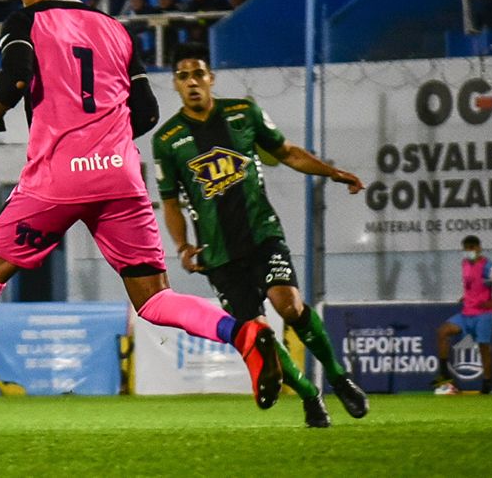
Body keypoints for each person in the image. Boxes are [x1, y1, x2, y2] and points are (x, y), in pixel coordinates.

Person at [0, 0, 282, 437]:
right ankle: (244, 332)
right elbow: (147, 113)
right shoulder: (115, 28)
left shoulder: (25, 23)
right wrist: (104, 142)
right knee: (154, 299)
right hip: (120, 174)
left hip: (55, 179)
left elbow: (15, 75)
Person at [153, 56, 369, 427]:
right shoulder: (168, 140)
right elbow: (171, 202)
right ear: (175, 84)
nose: (192, 82)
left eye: (198, 74)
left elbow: (286, 152)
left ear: (211, 78)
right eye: (183, 76)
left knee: (289, 305)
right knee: (260, 335)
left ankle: (337, 376)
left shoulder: (243, 112)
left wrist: (331, 173)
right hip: (217, 253)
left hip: (262, 235)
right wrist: (183, 246)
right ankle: (309, 395)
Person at [433, 236, 492, 395]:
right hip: (466, 313)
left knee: (483, 348)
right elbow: (472, 284)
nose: (469, 251)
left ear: (479, 248)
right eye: (466, 248)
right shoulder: (464, 264)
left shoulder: (488, 266)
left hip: (484, 314)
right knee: (442, 332)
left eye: (472, 247)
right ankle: (444, 375)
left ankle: (486, 384)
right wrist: (467, 295)